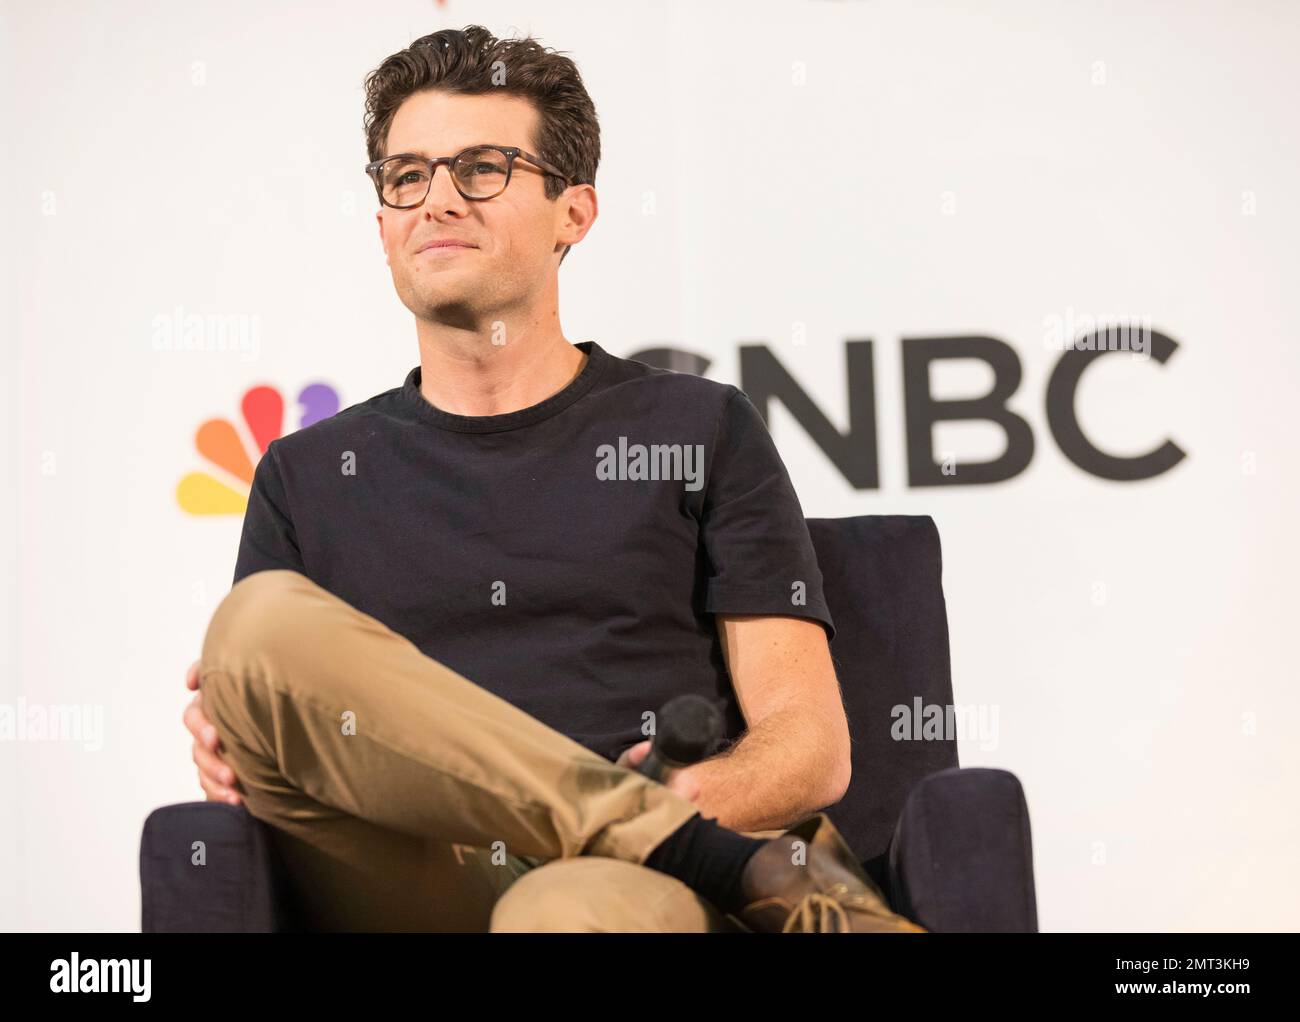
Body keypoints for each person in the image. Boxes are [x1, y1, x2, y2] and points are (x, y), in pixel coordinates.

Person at [180, 24, 926, 934]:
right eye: (407, 176)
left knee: (566, 913)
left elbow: (811, 749)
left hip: (606, 895)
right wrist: (243, 727)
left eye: (482, 169)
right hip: (408, 872)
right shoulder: (305, 473)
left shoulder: (697, 426)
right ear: (381, 224)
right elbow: (268, 721)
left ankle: (644, 843)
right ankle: (655, 835)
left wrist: (696, 793)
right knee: (251, 631)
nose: (437, 200)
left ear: (575, 212)